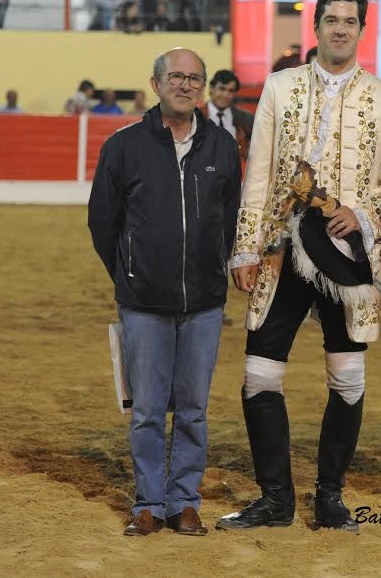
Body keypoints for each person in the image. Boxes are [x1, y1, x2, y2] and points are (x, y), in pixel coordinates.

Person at [215, 0, 381, 534]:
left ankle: (330, 496)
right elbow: (258, 172)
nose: (340, 29)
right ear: (317, 26)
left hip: (346, 253)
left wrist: (362, 214)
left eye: (350, 21)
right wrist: (245, 247)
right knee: (259, 373)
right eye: (331, 20)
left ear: (362, 30)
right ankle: (276, 499)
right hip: (280, 247)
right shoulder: (280, 87)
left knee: (346, 377)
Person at [87, 47, 242, 536]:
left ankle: (184, 501)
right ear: (155, 84)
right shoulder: (123, 146)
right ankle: (149, 502)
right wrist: (131, 274)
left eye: (194, 78)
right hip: (144, 304)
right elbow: (102, 222)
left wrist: (214, 269)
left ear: (202, 88)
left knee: (193, 411)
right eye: (175, 76)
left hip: (204, 304)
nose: (185, 85)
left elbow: (232, 218)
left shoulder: (222, 147)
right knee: (148, 412)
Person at [198, 69, 254, 164]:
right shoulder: (196, 116)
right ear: (211, 88)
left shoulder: (246, 118)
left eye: (230, 91)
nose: (226, 95)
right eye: (222, 89)